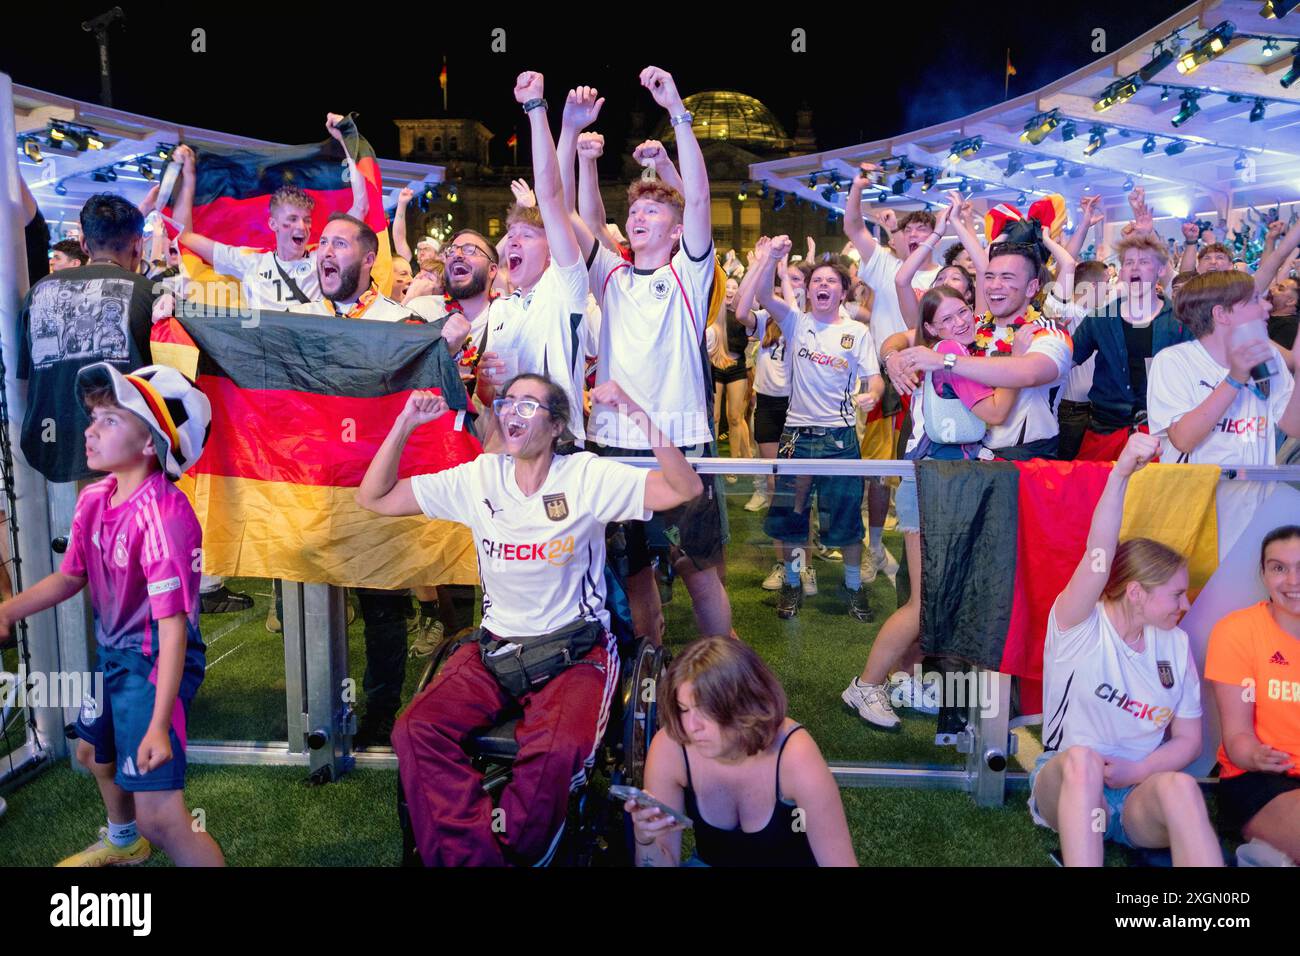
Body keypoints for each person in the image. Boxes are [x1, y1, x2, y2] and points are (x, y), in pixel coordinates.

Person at [361, 374, 702, 866]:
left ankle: (505, 851)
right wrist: (404, 424)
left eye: (527, 404)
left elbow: (684, 486)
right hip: (496, 648)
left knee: (557, 750)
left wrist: (634, 412)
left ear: (558, 425)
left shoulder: (585, 475)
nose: (511, 412)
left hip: (575, 651)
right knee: (414, 729)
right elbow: (373, 498)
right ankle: (476, 854)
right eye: (507, 403)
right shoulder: (479, 477)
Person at [0, 362, 223, 866]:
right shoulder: (95, 499)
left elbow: (172, 630)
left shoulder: (164, 516)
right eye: (93, 416)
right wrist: (8, 610)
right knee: (90, 754)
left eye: (110, 420)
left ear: (151, 444)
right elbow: (70, 577)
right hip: (115, 657)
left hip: (152, 665)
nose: (91, 429)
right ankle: (125, 844)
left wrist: (159, 723)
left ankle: (143, 832)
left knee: (162, 818)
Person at [566, 68, 732, 641]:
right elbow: (585, 222)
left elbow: (703, 194)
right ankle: (647, 674)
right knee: (634, 575)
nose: (638, 217)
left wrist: (677, 108)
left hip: (680, 440)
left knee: (700, 572)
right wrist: (587, 162)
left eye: (652, 213)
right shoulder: (609, 276)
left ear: (677, 228)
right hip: (613, 442)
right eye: (633, 213)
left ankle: (727, 670)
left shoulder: (689, 273)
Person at [287, 211, 461, 747]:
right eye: (322, 243)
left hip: (371, 483)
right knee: (311, 598)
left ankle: (380, 711)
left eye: (339, 243)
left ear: (368, 260)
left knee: (381, 602)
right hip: (312, 484)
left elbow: (430, 385)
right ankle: (314, 711)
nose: (325, 252)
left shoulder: (397, 322)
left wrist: (445, 348)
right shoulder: (294, 316)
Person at [1027, 431, 1221, 867]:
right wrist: (1121, 474)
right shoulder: (1079, 622)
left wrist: (1138, 771)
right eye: (1175, 595)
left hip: (1136, 794)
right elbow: (1098, 552)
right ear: (1134, 592)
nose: (1185, 605)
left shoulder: (1174, 642)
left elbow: (1189, 740)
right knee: (1083, 761)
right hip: (1067, 785)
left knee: (1182, 787)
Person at [846, 284, 1019, 729]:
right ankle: (865, 685)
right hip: (930, 485)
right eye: (947, 319)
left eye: (963, 311)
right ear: (930, 329)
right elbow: (997, 412)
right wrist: (1014, 369)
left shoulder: (952, 353)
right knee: (923, 603)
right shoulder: (948, 357)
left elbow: (899, 341)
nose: (960, 322)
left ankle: (900, 680)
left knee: (936, 600)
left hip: (949, 484)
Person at [626, 636, 856, 867]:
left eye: (706, 710)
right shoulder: (671, 746)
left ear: (744, 706)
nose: (692, 726)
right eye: (684, 709)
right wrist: (645, 839)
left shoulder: (795, 755)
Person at [752, 236, 883, 621]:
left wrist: (872, 395)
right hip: (796, 436)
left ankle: (854, 587)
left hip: (840, 438)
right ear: (807, 290)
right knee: (794, 515)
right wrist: (772, 261)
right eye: (817, 281)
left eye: (831, 282)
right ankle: (792, 584)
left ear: (844, 292)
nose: (822, 285)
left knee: (845, 518)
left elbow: (874, 380)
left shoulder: (857, 333)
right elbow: (762, 294)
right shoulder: (795, 321)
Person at [1147, 270, 1299, 561]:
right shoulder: (1174, 362)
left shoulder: (1268, 356)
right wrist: (1236, 377)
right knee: (1195, 603)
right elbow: (1183, 439)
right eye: (1254, 300)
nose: (1267, 306)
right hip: (1197, 517)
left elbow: (1292, 426)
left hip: (1256, 512)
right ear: (1222, 314)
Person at [475, 72, 590, 449]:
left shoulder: (564, 287)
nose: (513, 244)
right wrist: (488, 381)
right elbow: (491, 393)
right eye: (511, 237)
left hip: (558, 445)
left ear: (552, 247)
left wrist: (536, 109)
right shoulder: (501, 308)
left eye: (527, 235)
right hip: (507, 441)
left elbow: (552, 194)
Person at [17, 194, 158, 484]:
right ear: (138, 245)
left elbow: (25, 377)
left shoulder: (39, 293)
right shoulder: (151, 294)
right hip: (124, 456)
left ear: (84, 244)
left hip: (49, 448)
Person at [171, 114, 370, 312]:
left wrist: (345, 139)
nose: (302, 227)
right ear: (273, 224)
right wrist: (189, 176)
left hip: (310, 343)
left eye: (306, 220)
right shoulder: (250, 262)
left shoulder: (321, 260)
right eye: (292, 219)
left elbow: (360, 207)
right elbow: (185, 235)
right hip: (262, 343)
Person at [893, 242, 1071, 460]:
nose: (994, 285)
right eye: (989, 276)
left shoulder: (1047, 332)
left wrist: (945, 361)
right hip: (973, 458)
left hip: (1028, 460)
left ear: (1032, 288)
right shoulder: (971, 326)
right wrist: (890, 357)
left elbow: (1030, 372)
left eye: (1007, 277)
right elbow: (904, 337)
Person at [1205, 525, 1300, 864]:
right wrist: (1255, 756)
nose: (1292, 581)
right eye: (1279, 567)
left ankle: (1267, 857)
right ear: (1263, 574)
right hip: (1259, 780)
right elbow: (1237, 736)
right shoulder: (1237, 632)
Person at [1068, 232, 1192, 461]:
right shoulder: (1101, 318)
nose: (1135, 268)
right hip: (1104, 433)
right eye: (1128, 263)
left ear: (1161, 270)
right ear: (1122, 271)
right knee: (1097, 494)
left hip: (1162, 436)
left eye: (1144, 262)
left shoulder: (1180, 321)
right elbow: (1066, 360)